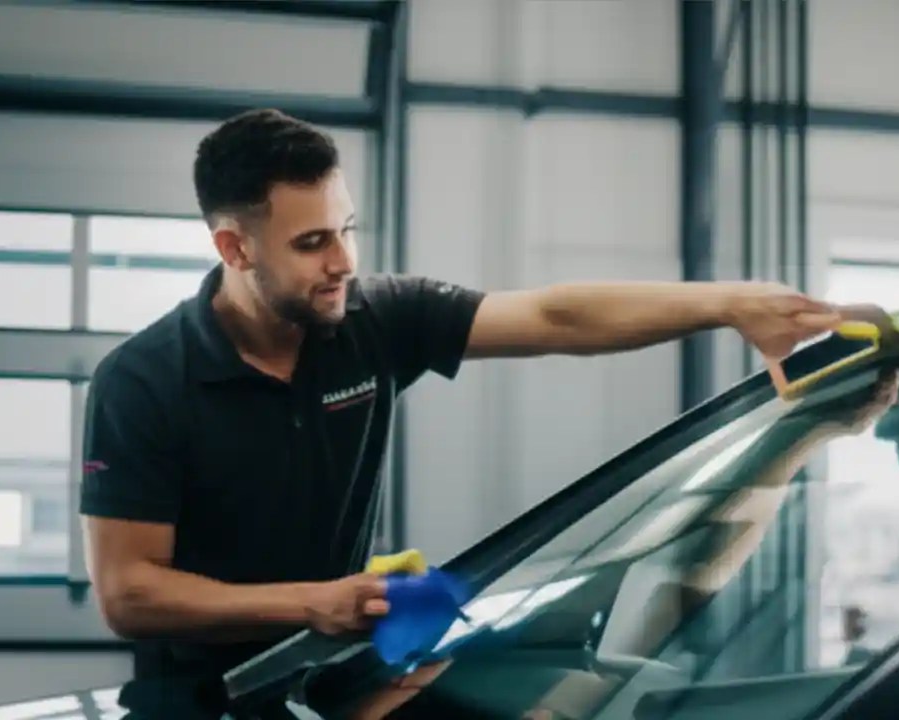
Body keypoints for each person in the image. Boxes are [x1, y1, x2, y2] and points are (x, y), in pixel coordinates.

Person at [79, 108, 843, 718]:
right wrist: (314, 602)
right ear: (234, 247)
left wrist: (734, 304)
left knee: (578, 695)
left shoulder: (372, 320)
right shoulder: (143, 382)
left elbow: (557, 319)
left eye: (347, 229)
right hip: (199, 702)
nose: (343, 261)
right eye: (312, 243)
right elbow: (130, 593)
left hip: (335, 676)